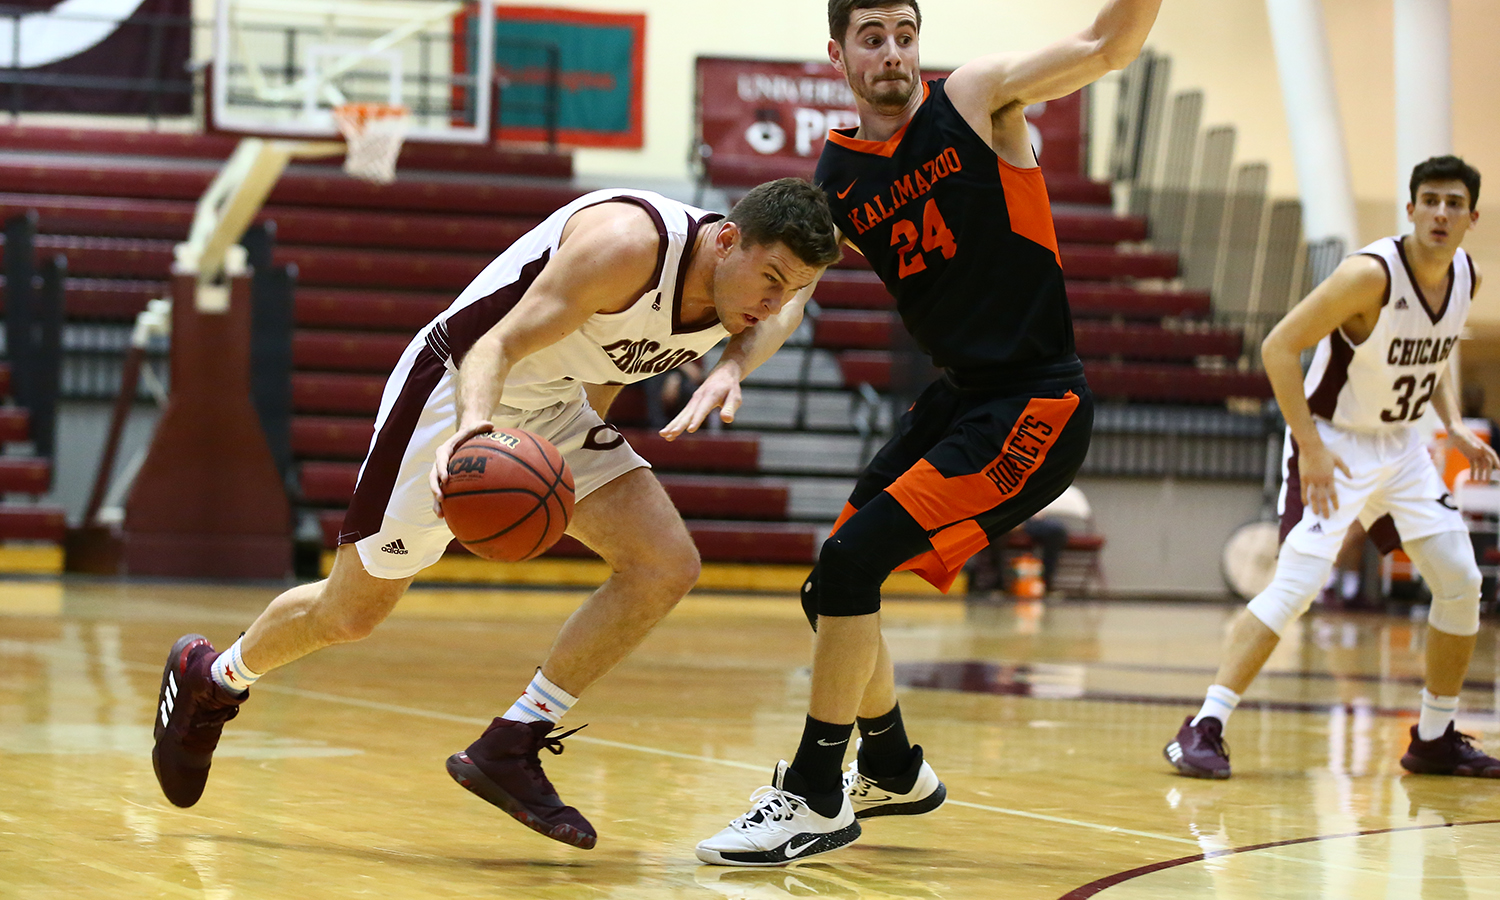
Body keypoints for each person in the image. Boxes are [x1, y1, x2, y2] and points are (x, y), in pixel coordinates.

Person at [151, 178, 842, 850]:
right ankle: (212, 678)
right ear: (726, 241)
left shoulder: (760, 292)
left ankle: (513, 741)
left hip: (553, 404)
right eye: (772, 278)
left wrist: (732, 368)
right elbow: (495, 346)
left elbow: (781, 314)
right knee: (351, 613)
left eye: (796, 284)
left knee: (665, 565)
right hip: (457, 390)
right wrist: (477, 433)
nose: (777, 299)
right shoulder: (626, 246)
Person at [684, 0, 1161, 866]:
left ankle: (815, 793)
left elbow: (1106, 45)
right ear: (838, 55)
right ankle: (895, 764)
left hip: (1036, 404)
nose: (894, 53)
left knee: (849, 565)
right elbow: (792, 295)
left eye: (905, 35)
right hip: (961, 399)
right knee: (829, 586)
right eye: (873, 38)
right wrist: (733, 363)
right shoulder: (836, 173)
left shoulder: (975, 100)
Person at [1164, 156, 1500, 781]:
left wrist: (1451, 422)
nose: (1441, 213)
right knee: (1295, 589)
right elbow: (1278, 347)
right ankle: (1202, 727)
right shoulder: (1368, 276)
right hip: (1335, 441)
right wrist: (1311, 448)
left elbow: (1435, 351)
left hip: (1402, 447)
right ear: (1411, 208)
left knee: (1461, 581)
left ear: (1471, 217)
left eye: (1454, 203)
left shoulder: (1466, 275)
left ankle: (1434, 737)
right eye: (1430, 200)